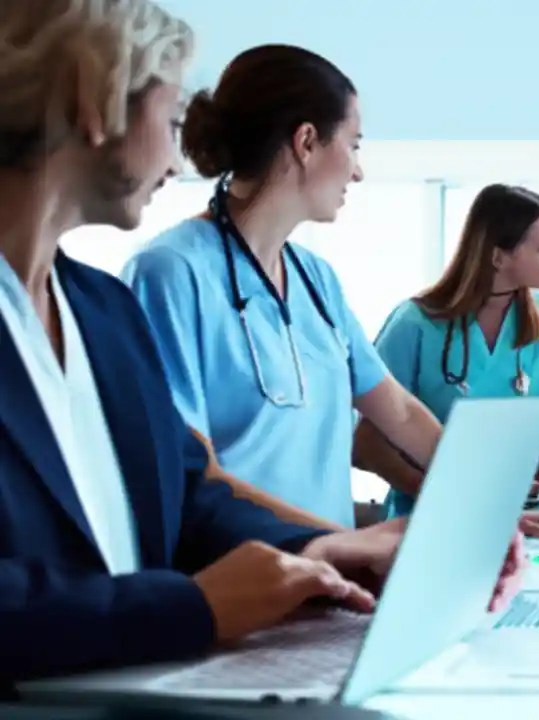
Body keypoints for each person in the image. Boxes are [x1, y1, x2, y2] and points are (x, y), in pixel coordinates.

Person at [0, 0, 521, 683]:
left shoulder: (104, 313)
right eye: (174, 117)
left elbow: (185, 493)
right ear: (91, 104)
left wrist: (329, 547)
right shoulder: (167, 275)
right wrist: (191, 605)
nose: (180, 151)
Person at [120, 44, 448, 531]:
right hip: (244, 586)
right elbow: (191, 474)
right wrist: (337, 543)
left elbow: (397, 412)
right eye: (354, 144)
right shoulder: (169, 273)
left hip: (332, 580)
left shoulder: (316, 279)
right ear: (307, 141)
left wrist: (494, 505)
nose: (358, 169)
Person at [354, 183, 539, 539]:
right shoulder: (414, 324)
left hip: (515, 520)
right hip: (422, 523)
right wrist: (442, 498)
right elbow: (365, 445)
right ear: (498, 257)